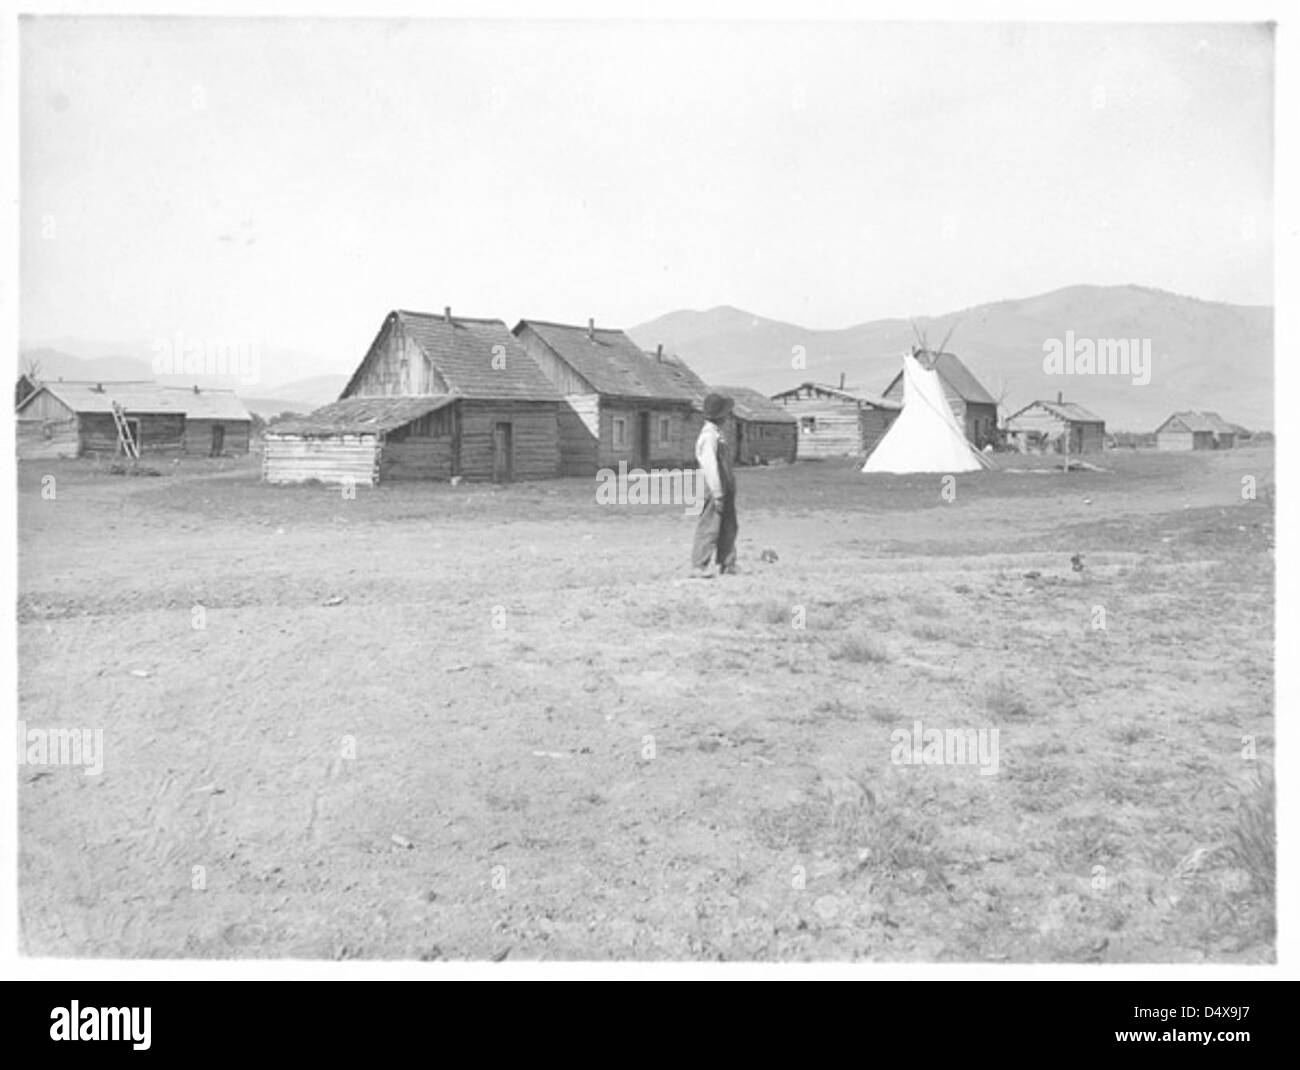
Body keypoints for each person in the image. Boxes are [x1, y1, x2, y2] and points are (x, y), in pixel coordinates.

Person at [692, 393, 738, 577]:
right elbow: (710, 466)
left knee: (729, 524)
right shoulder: (708, 436)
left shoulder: (718, 434)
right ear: (720, 416)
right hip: (712, 486)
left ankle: (728, 564)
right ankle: (699, 565)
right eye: (726, 413)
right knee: (710, 525)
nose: (728, 417)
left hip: (725, 483)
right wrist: (717, 492)